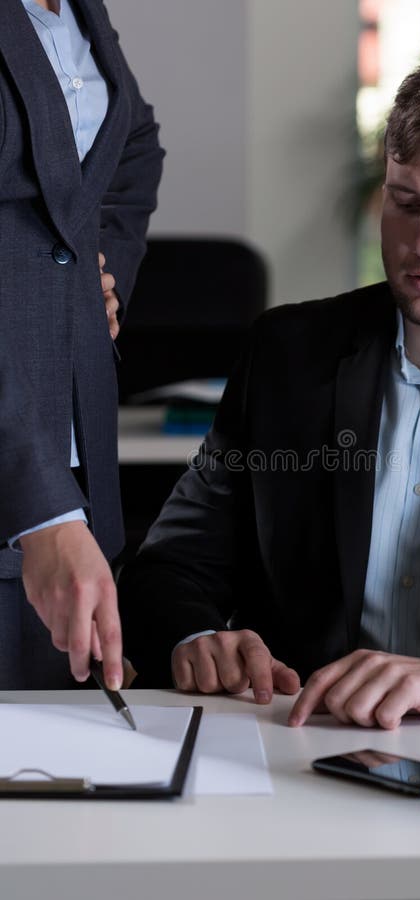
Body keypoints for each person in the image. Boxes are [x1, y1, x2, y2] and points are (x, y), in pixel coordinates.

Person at [118, 46, 420, 729]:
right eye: (406, 203)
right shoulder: (289, 352)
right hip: (294, 745)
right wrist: (196, 637)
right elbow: (171, 564)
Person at [0, 0, 164, 689]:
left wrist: (102, 274)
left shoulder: (75, 8)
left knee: (54, 773)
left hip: (65, 458)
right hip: (27, 478)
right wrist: (45, 509)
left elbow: (134, 142)